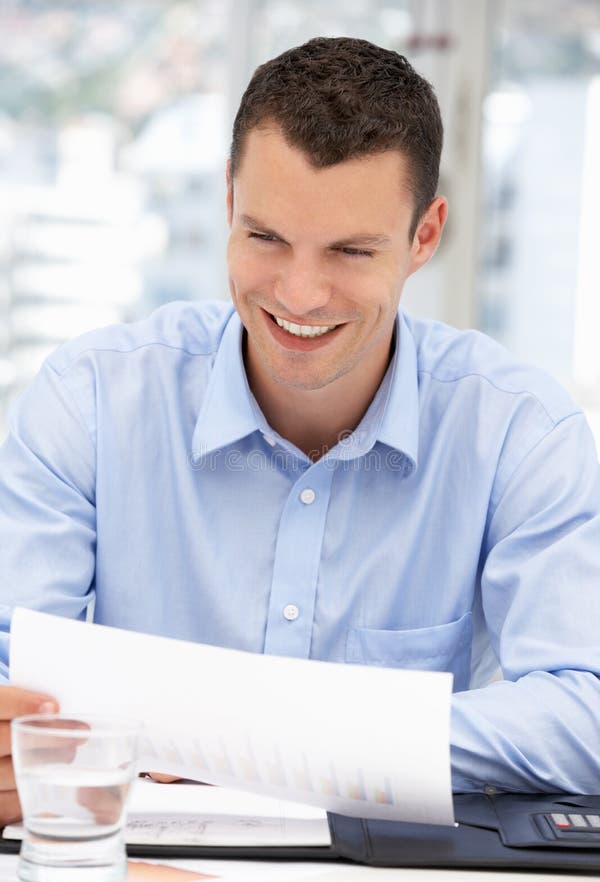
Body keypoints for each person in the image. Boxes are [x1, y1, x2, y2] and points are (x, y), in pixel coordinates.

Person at [0, 36, 599, 826]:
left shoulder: (520, 432)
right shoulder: (90, 403)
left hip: (392, 878)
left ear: (424, 236)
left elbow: (582, 715)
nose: (300, 294)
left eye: (351, 251)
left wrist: (264, 737)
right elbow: (12, 665)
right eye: (266, 238)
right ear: (227, 201)